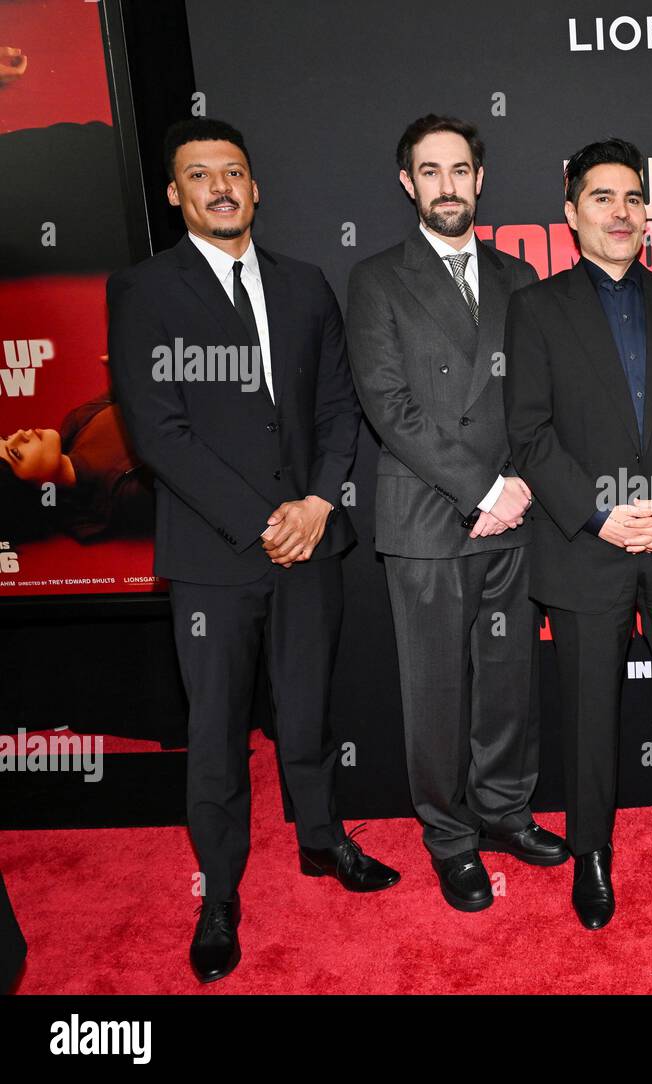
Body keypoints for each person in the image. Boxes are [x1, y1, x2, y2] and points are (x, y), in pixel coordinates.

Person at [109, 117, 398, 985]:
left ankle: (320, 842)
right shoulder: (145, 291)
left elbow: (341, 408)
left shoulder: (305, 285)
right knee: (217, 733)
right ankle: (221, 893)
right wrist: (264, 518)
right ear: (176, 194)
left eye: (234, 172)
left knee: (307, 712)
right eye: (201, 175)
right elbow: (159, 431)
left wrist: (313, 505)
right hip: (215, 554)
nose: (221, 187)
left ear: (256, 186)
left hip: (312, 541)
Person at [503, 137, 652, 930]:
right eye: (602, 197)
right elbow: (530, 435)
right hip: (583, 545)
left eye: (633, 197)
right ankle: (592, 854)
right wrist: (603, 514)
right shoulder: (536, 308)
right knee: (588, 710)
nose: (621, 211)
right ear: (572, 215)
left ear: (647, 213)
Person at [347, 114, 566, 913]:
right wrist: (484, 490)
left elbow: (538, 397)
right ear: (409, 185)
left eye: (461, 169)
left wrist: (521, 487)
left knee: (508, 680)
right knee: (436, 691)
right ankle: (449, 835)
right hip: (433, 518)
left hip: (513, 515)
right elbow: (389, 406)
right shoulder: (377, 279)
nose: (448, 185)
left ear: (481, 180)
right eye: (430, 171)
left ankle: (505, 811)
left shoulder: (517, 278)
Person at [1, 396, 154, 543]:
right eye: (16, 453)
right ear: (27, 492)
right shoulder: (121, 494)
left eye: (6, 438)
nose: (19, 433)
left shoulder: (76, 422)